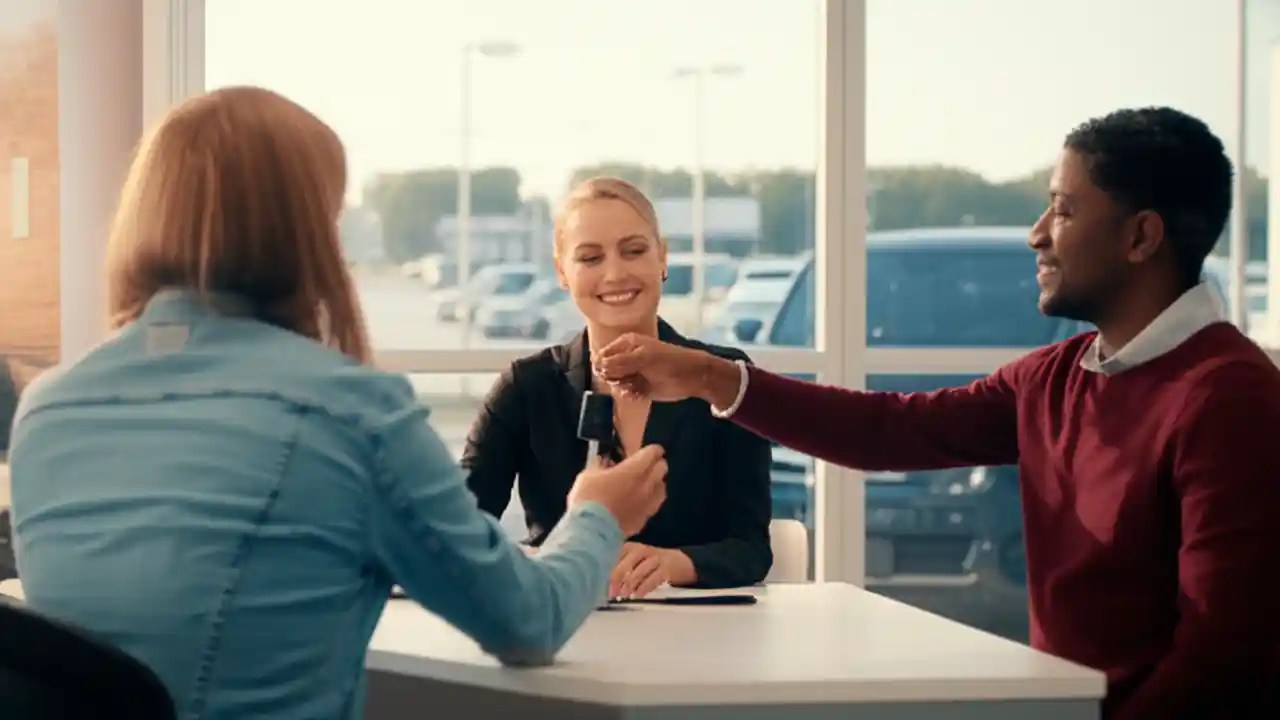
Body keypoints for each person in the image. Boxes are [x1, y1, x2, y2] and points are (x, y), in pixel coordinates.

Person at [592, 107, 1280, 719]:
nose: (1037, 234)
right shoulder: (1056, 376)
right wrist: (707, 375)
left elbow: (1220, 661)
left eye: (1064, 210)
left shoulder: (1231, 400)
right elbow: (889, 429)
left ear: (1141, 237)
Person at [6, 87, 669, 720]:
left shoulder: (46, 410)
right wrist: (596, 516)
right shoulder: (350, 413)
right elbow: (528, 624)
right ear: (303, 231)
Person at [462, 176, 773, 598]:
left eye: (634, 251)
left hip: (697, 640)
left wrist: (671, 563)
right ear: (562, 273)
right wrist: (545, 560)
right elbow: (458, 530)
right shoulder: (525, 387)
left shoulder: (722, 376)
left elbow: (751, 548)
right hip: (561, 629)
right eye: (590, 258)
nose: (615, 273)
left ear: (662, 257)